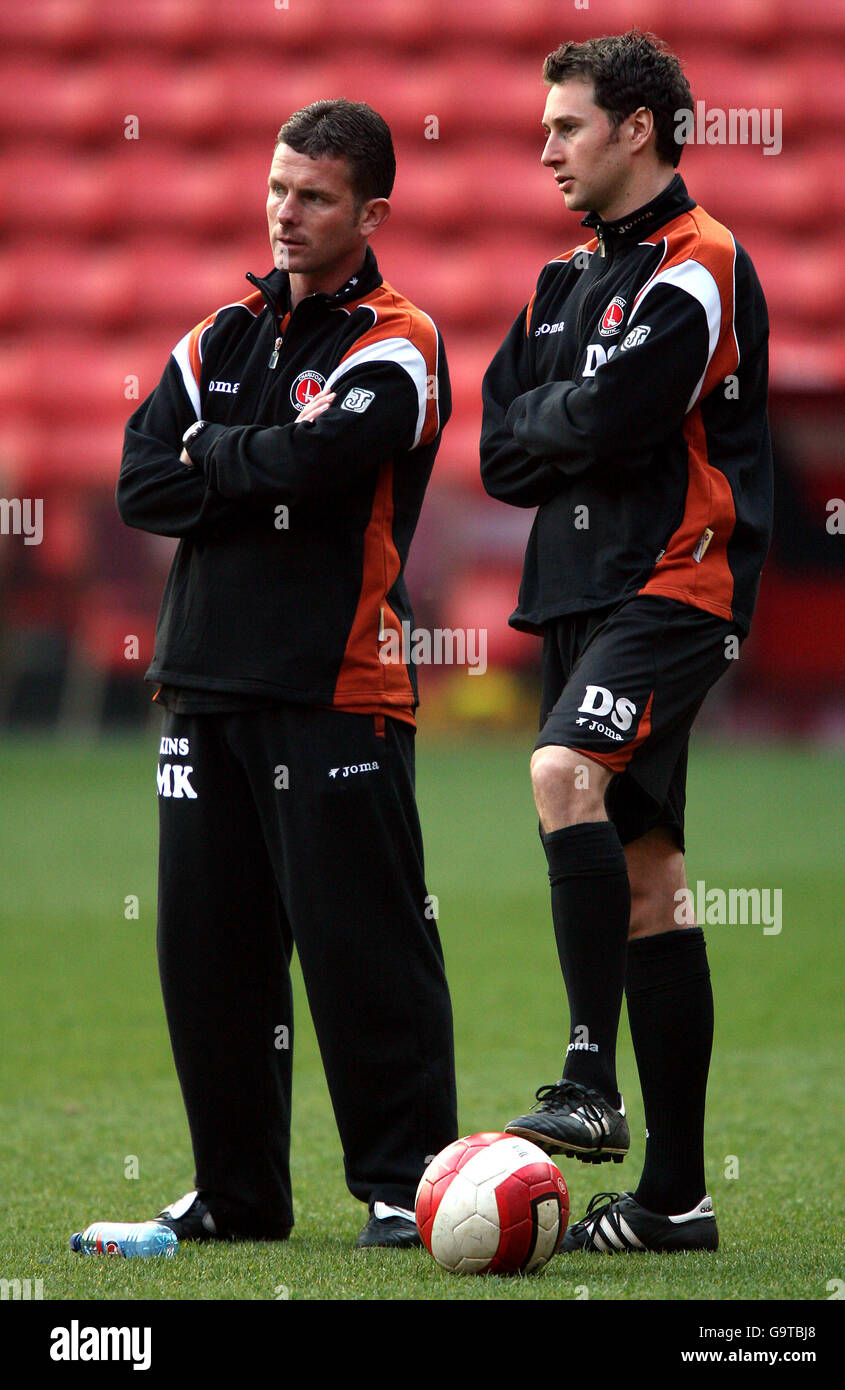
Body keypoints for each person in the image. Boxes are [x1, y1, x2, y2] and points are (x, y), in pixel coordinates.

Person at [115, 99, 457, 1250]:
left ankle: (404, 1186)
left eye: (311, 196)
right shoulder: (216, 335)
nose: (284, 213)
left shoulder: (401, 339)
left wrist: (214, 456)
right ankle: (238, 1196)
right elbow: (139, 484)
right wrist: (243, 468)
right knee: (207, 958)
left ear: (370, 212)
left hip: (335, 687)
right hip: (202, 683)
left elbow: (323, 462)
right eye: (276, 189)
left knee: (364, 948)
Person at [480, 32, 772, 1254]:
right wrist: (568, 420)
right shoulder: (560, 283)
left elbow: (622, 410)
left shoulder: (698, 264)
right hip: (574, 595)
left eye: (566, 125)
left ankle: (586, 1072)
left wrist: (567, 418)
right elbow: (500, 453)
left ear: (637, 129)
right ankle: (674, 1200)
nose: (544, 146)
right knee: (649, 882)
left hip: (674, 584)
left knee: (559, 774)